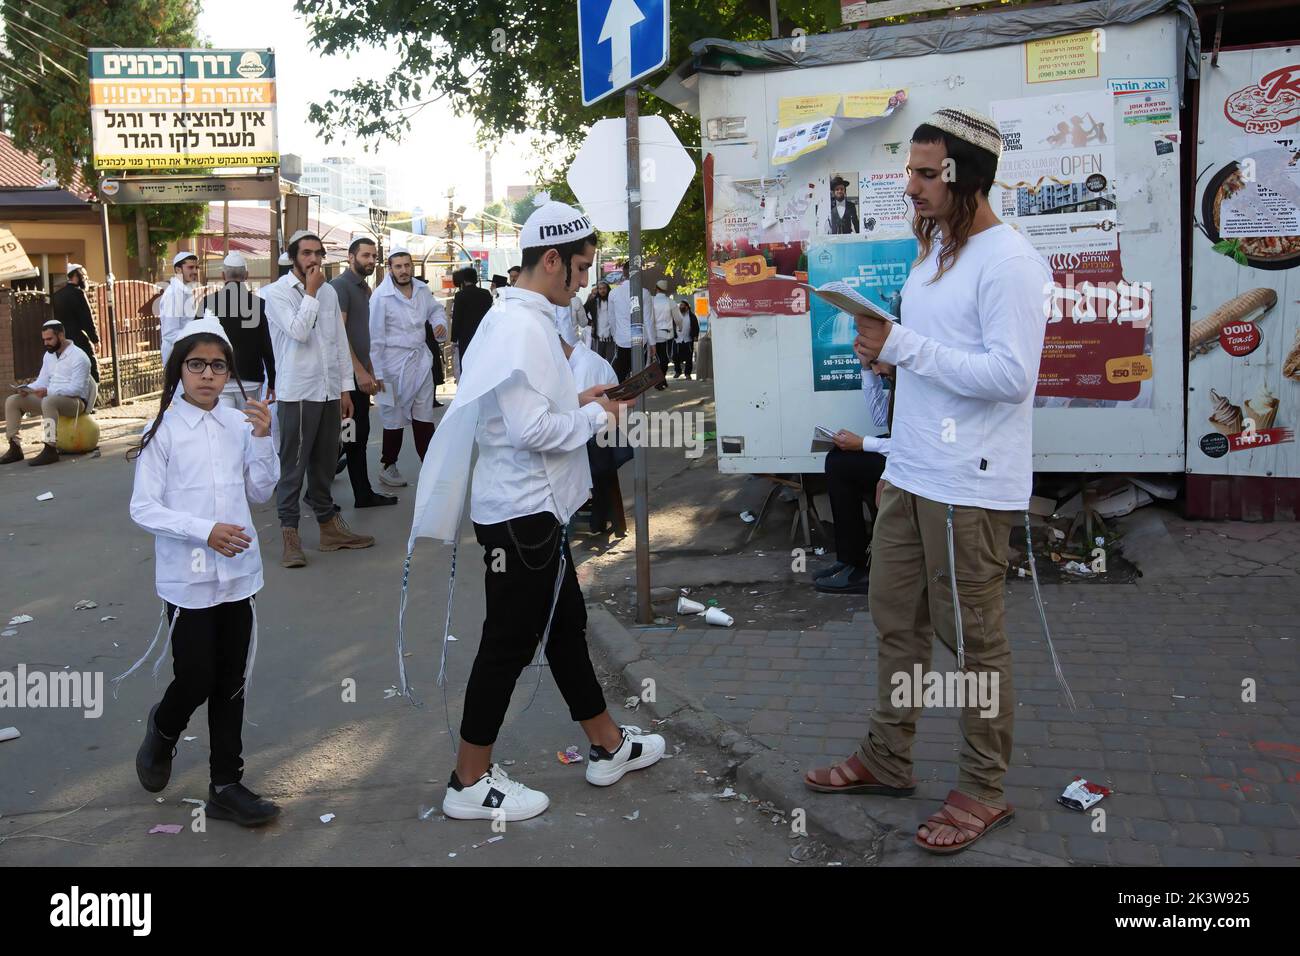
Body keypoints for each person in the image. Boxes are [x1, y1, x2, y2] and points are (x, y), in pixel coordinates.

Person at [802, 109, 1049, 855]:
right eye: (908, 169)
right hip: (911, 477)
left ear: (966, 177)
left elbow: (1011, 377)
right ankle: (887, 757)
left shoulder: (1009, 261)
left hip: (968, 488)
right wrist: (886, 354)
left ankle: (982, 787)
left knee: (972, 644)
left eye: (923, 172)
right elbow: (934, 357)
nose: (907, 185)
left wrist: (906, 344)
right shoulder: (935, 251)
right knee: (896, 627)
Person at [407, 198, 664, 822]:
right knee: (509, 642)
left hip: (528, 515)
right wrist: (596, 413)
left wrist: (580, 396)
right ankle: (469, 780)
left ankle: (607, 744)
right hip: (521, 517)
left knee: (564, 628)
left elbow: (521, 409)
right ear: (550, 260)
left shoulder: (516, 317)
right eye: (578, 269)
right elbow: (529, 431)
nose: (582, 283)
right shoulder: (523, 325)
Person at [124, 318, 282, 827]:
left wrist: (262, 439)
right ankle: (165, 728)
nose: (208, 375)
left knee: (231, 681)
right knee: (195, 675)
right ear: (180, 370)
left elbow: (261, 492)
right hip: (187, 578)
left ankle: (225, 784)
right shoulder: (163, 432)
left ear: (229, 372)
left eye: (218, 365)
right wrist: (203, 530)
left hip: (238, 574)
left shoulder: (239, 424)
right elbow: (143, 508)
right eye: (197, 365)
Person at [258, 229, 374, 568]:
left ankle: (329, 530)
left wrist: (344, 390)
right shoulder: (275, 293)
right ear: (293, 256)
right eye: (306, 253)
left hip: (326, 393)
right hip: (297, 393)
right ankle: (290, 536)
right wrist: (309, 292)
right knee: (293, 467)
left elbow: (338, 342)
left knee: (324, 464)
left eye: (318, 253)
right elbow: (298, 331)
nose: (313, 259)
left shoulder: (329, 293)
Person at [814, 352, 894, 595]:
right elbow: (882, 418)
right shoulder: (898, 380)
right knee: (837, 458)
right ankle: (850, 560)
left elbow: (914, 443)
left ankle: (858, 565)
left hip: (918, 460)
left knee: (842, 465)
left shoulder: (916, 382)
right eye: (873, 364)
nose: (877, 370)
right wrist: (866, 369)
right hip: (901, 450)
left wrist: (862, 443)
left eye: (878, 362)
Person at [368, 249, 447, 488]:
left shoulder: (422, 290)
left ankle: (430, 465)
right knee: (393, 417)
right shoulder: (381, 297)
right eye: (398, 266)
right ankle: (388, 465)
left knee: (424, 415)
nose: (403, 270)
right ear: (390, 269)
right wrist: (377, 373)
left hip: (420, 362)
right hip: (390, 365)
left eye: (406, 265)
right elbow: (375, 337)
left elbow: (436, 310)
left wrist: (439, 324)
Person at [329, 237, 397, 509]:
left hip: (358, 375)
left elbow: (362, 335)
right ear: (350, 256)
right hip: (344, 379)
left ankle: (363, 494)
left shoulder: (364, 289)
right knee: (350, 435)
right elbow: (339, 335)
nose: (371, 260)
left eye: (374, 256)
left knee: (356, 436)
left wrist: (371, 370)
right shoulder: (341, 287)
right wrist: (357, 372)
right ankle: (316, 492)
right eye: (366, 255)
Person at [2, 320, 94, 466]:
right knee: (13, 400)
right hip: (50, 399)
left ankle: (50, 448)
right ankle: (15, 448)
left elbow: (76, 389)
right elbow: (42, 381)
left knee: (48, 400)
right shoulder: (49, 356)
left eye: (49, 339)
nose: (46, 343)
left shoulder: (79, 357)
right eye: (44, 339)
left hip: (75, 403)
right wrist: (28, 389)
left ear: (61, 335)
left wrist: (48, 391)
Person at [201, 252, 276, 413]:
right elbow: (267, 345)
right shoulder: (259, 305)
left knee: (223, 430)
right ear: (246, 275)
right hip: (251, 378)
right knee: (249, 429)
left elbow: (197, 341)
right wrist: (273, 381)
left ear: (222, 275)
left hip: (218, 376)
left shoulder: (208, 302)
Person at [52, 264, 100, 383]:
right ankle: (94, 396)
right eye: (82, 275)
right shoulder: (78, 293)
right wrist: (95, 340)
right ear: (75, 275)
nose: (85, 277)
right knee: (90, 365)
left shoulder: (57, 295)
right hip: (78, 338)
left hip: (62, 339)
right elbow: (86, 319)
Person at [450, 266, 493, 377]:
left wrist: (453, 339)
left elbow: (456, 319)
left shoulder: (460, 295)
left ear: (464, 280)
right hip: (483, 334)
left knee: (466, 366)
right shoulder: (486, 293)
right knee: (481, 365)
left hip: (465, 337)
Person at [159, 251, 199, 365]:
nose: (195, 271)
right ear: (178, 270)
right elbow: (170, 334)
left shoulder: (184, 291)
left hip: (185, 353)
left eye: (196, 267)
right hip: (175, 355)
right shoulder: (173, 294)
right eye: (190, 267)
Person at [650, 279, 674, 388]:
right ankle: (660, 380)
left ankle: (661, 380)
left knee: (659, 358)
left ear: (656, 288)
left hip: (653, 334)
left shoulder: (651, 300)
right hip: (666, 334)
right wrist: (680, 327)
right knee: (664, 358)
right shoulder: (670, 302)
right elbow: (678, 319)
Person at [585, 280, 613, 362]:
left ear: (607, 289)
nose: (602, 291)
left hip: (611, 336)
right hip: (598, 336)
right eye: (600, 289)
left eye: (604, 288)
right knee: (599, 360)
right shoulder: (593, 302)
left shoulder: (612, 301)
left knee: (611, 359)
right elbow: (582, 311)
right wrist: (590, 322)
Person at [672, 300, 694, 379]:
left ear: (687, 307)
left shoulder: (691, 316)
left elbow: (695, 326)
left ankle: (687, 374)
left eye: (682, 305)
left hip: (687, 339)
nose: (680, 307)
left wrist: (695, 336)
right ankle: (678, 371)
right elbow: (672, 325)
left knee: (689, 358)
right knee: (675, 356)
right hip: (677, 339)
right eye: (680, 305)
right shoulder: (676, 315)